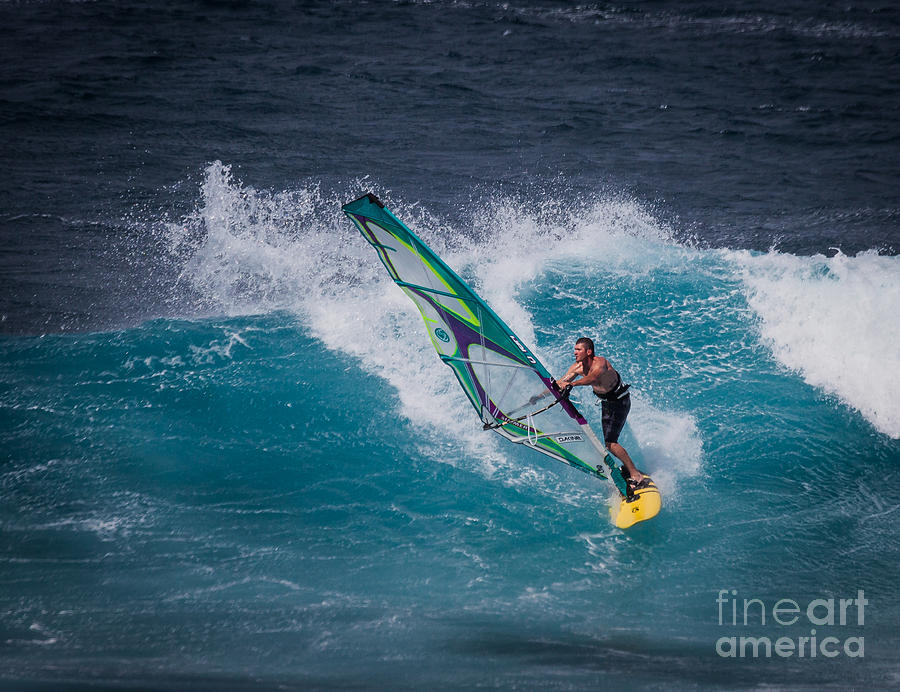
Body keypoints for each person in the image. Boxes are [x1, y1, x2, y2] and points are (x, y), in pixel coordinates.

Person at [559, 337, 645, 490]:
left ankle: (636, 475)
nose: (575, 352)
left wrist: (572, 384)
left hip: (620, 400)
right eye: (575, 349)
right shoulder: (577, 368)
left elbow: (593, 377)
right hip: (607, 403)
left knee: (611, 443)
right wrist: (538, 396)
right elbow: (560, 383)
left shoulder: (601, 363)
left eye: (578, 349)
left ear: (589, 351)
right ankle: (628, 469)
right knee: (608, 443)